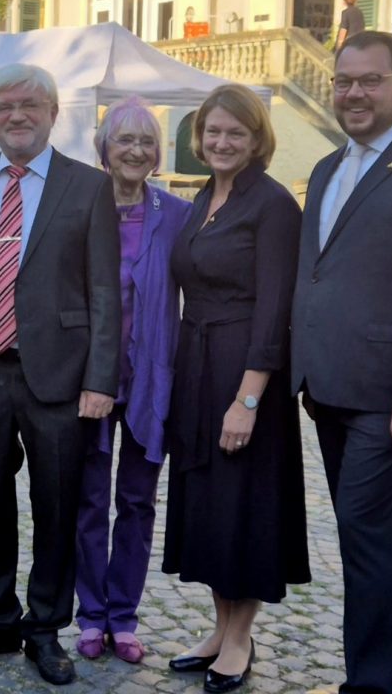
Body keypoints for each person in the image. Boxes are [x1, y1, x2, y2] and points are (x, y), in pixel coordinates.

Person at [0, 63, 121, 687]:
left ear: (52, 112)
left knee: (57, 505)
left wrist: (101, 380)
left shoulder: (89, 186)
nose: (17, 115)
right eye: (4, 106)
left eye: (30, 104)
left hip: (61, 377)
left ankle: (44, 628)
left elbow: (103, 290)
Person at [293, 31, 392, 694]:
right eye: (344, 80)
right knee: (374, 538)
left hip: (391, 398)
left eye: (369, 80)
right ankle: (389, 676)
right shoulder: (325, 169)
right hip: (328, 390)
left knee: (370, 535)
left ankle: (375, 684)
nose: (352, 92)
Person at [163, 84, 310, 693]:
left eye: (235, 134)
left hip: (245, 375)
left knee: (243, 508)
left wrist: (247, 399)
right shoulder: (203, 198)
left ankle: (241, 638)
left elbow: (275, 310)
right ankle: (220, 629)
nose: (221, 143)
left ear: (257, 141)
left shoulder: (273, 206)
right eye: (213, 132)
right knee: (210, 509)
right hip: (196, 367)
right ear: (199, 138)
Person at [74, 97, 191, 664]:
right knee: (89, 501)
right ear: (104, 148)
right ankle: (89, 615)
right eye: (125, 140)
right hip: (91, 379)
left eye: (147, 142)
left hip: (151, 380)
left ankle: (123, 616)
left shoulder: (176, 214)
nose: (137, 151)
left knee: (138, 501)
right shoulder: (80, 207)